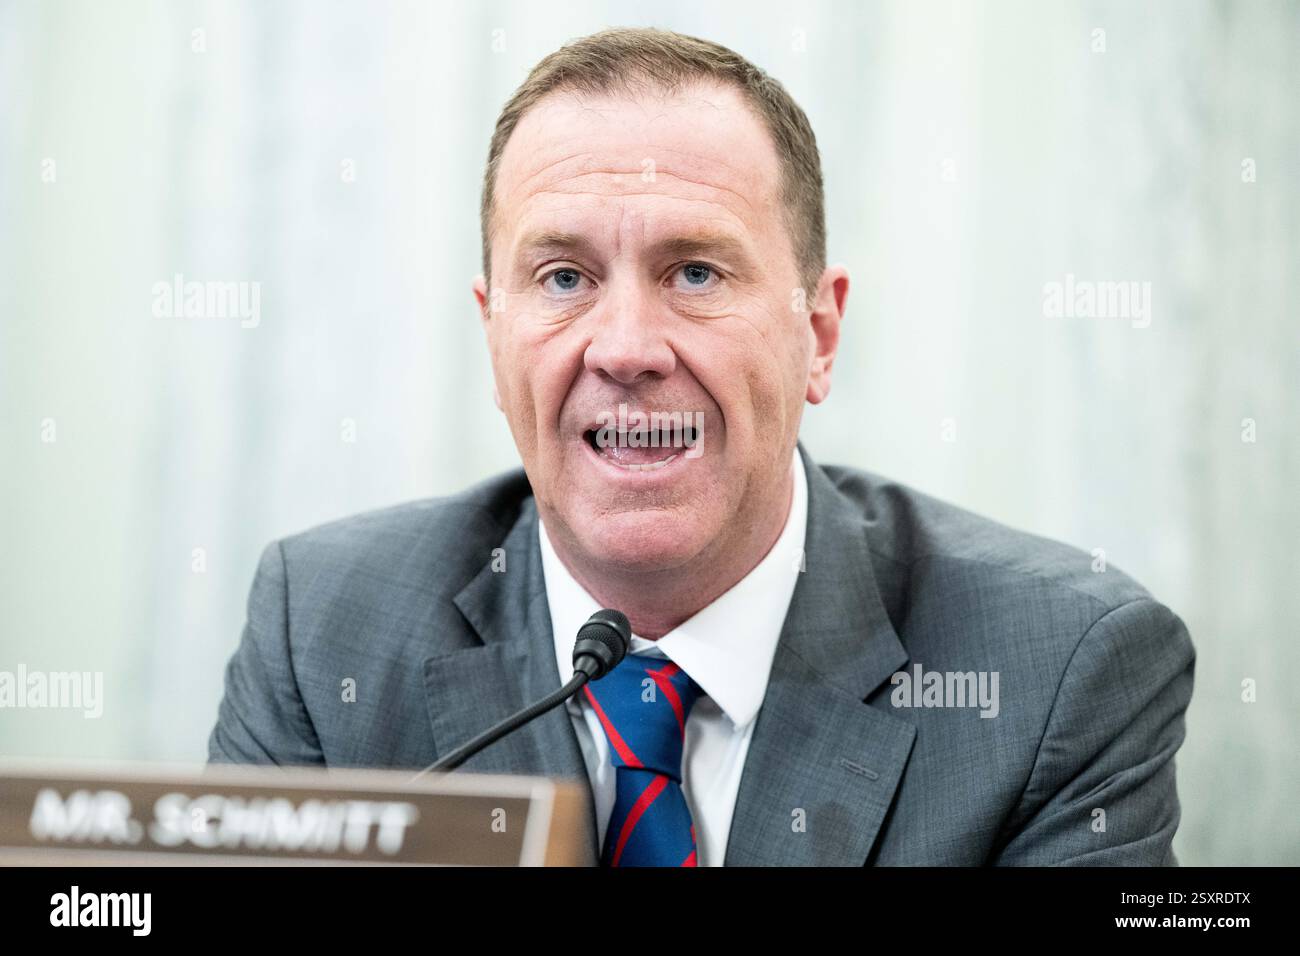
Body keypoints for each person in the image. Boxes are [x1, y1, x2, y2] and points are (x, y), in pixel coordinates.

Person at [208, 26, 1195, 867]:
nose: (626, 348)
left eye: (694, 272)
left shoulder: (1058, 674)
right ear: (493, 335)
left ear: (819, 334)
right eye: (562, 278)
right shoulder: (323, 633)